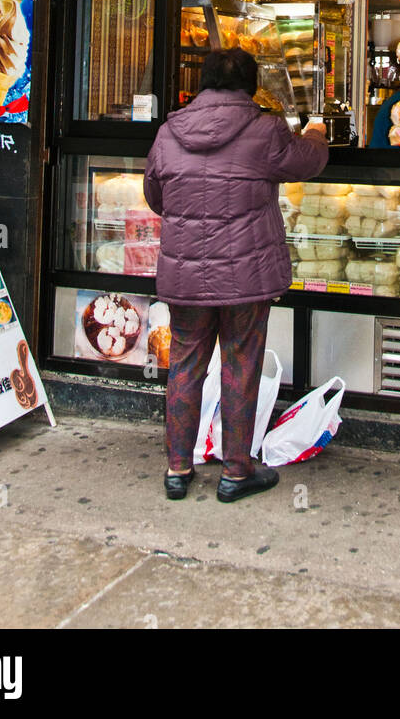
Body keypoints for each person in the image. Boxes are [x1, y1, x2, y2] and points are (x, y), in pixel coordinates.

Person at [144, 47, 328, 503]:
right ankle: (236, 471)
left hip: (185, 274)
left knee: (185, 365)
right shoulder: (264, 129)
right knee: (240, 366)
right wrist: (318, 133)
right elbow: (307, 162)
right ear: (250, 85)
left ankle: (177, 468)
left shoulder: (170, 130)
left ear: (203, 83)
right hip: (246, 275)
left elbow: (154, 193)